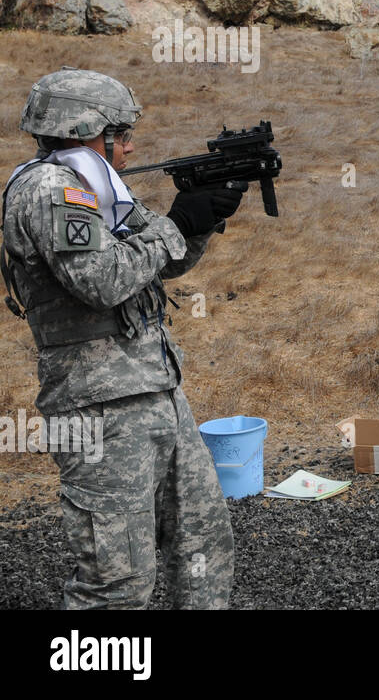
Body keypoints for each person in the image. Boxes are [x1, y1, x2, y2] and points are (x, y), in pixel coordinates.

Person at [2, 67, 243, 609]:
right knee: (118, 582)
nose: (130, 146)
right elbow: (102, 280)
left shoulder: (98, 187)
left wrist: (200, 217)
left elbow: (156, 265)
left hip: (155, 391)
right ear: (85, 130)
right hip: (98, 411)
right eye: (121, 133)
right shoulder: (51, 189)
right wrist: (176, 225)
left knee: (201, 547)